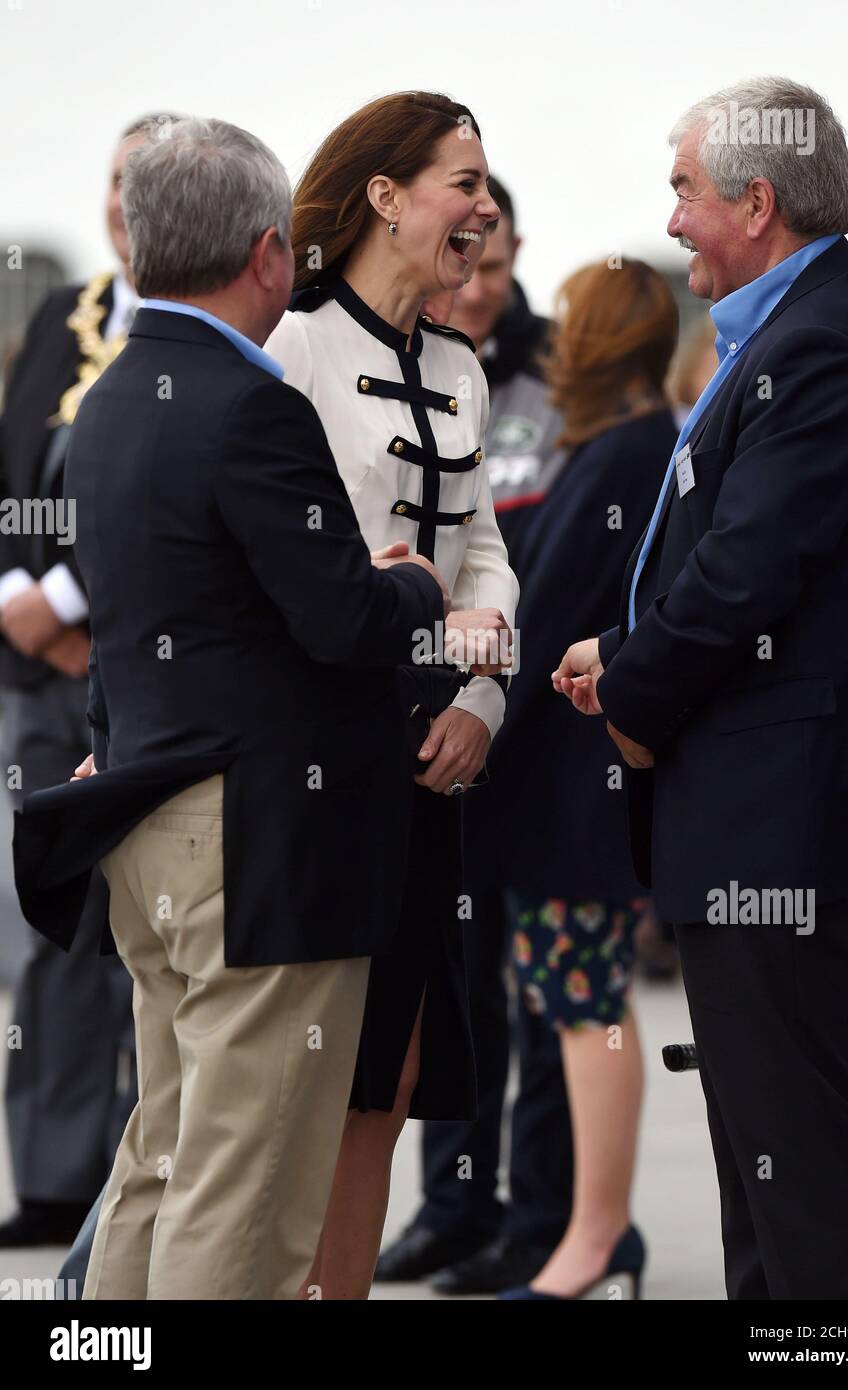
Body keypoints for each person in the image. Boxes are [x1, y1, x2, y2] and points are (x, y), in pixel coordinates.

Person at [13, 116, 449, 1300]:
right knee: (243, 1189)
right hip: (262, 847)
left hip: (150, 822)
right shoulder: (252, 407)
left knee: (162, 1153)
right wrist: (410, 582)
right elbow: (341, 622)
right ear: (268, 253)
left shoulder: (102, 404)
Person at [554, 77, 848, 1299]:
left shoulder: (825, 340)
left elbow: (744, 573)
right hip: (761, 807)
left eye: (686, 191)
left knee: (805, 1171)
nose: (670, 222)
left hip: (788, 815)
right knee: (767, 1174)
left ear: (757, 203)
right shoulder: (794, 331)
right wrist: (630, 660)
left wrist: (628, 685)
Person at [265, 90, 519, 1299]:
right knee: (301, 1072)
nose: (481, 207)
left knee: (397, 1068)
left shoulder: (465, 366)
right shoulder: (297, 346)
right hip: (320, 759)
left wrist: (485, 703)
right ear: (386, 196)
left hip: (435, 751)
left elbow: (488, 562)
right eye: (463, 182)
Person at [377, 176, 576, 1295]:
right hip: (427, 730)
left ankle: (542, 1219)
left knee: (548, 997)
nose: (479, 281)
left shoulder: (564, 378)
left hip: (543, 728)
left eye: (495, 261)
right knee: (449, 989)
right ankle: (453, 1205)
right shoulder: (390, 360)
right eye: (465, 254)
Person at [490, 257, 677, 1299]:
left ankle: (597, 1237)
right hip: (578, 789)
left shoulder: (619, 455)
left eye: (573, 324)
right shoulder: (626, 449)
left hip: (573, 791)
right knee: (576, 1001)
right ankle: (600, 1236)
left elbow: (542, 624)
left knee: (582, 1001)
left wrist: (464, 732)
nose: (557, 344)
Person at [0, 115, 169, 1249]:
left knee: (144, 941)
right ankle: (54, 1181)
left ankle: (138, 1177)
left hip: (145, 672)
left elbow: (157, 497)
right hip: (42, 682)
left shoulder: (202, 329)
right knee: (52, 946)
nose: (120, 203)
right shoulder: (66, 322)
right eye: (112, 182)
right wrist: (23, 593)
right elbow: (12, 471)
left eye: (141, 185)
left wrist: (68, 604)